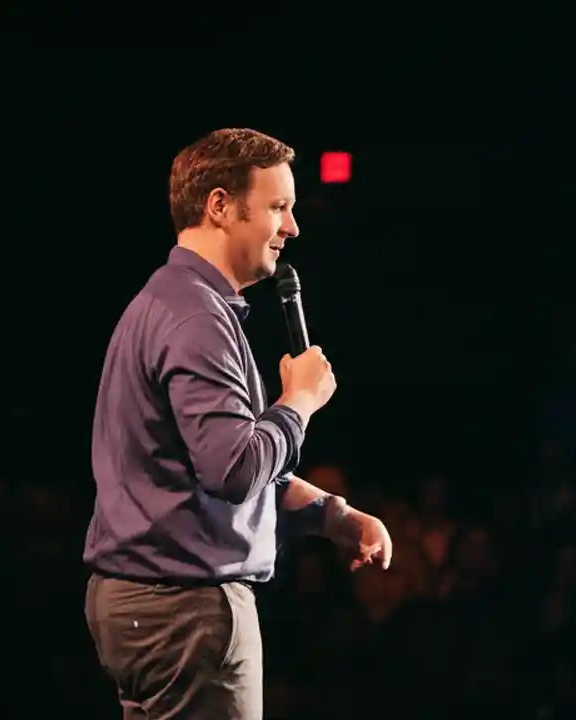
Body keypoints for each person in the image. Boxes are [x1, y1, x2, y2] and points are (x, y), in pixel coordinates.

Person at [81, 127, 393, 719]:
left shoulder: (168, 302)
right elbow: (234, 469)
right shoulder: (195, 318)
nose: (293, 227)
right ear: (220, 206)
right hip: (186, 611)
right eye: (278, 207)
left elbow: (200, 472)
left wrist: (334, 515)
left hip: (147, 606)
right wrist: (298, 402)